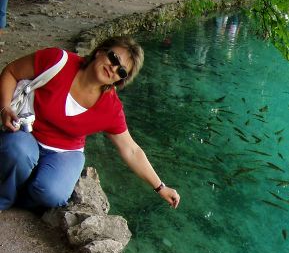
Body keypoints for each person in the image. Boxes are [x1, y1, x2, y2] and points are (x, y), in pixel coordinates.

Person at [0, 36, 180, 211]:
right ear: (100, 52)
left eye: (121, 71)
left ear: (120, 79)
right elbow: (11, 72)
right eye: (113, 58)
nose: (113, 68)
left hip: (66, 151)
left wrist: (160, 187)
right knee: (17, 151)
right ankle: (4, 199)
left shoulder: (111, 108)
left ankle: (22, 200)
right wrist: (5, 108)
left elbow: (131, 150)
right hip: (27, 132)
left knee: (52, 194)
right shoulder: (57, 61)